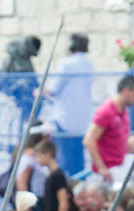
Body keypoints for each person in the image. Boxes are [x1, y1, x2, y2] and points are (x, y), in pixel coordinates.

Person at [44, 33, 94, 175]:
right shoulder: (89, 65)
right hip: (82, 122)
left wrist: (38, 91)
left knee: (64, 160)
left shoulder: (66, 64)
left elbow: (52, 90)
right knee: (78, 161)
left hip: (64, 120)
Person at [84, 75, 134, 183]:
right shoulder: (106, 111)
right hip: (108, 172)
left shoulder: (124, 113)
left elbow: (121, 140)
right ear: (126, 91)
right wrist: (102, 169)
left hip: (119, 168)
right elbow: (89, 140)